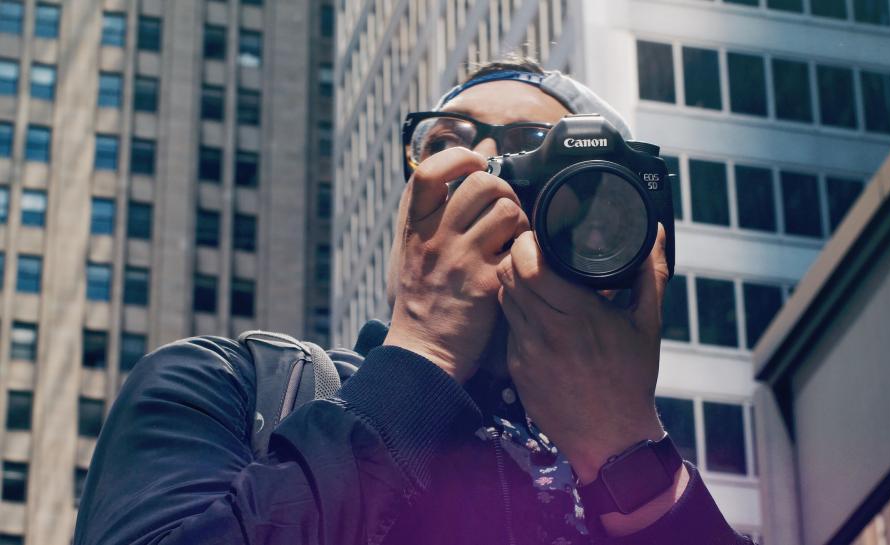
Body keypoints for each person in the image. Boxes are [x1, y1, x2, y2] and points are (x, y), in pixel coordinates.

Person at [74, 58, 752, 545]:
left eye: (529, 154)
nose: (482, 166)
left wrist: (627, 456)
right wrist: (422, 357)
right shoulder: (231, 386)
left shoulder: (633, 485)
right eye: (445, 143)